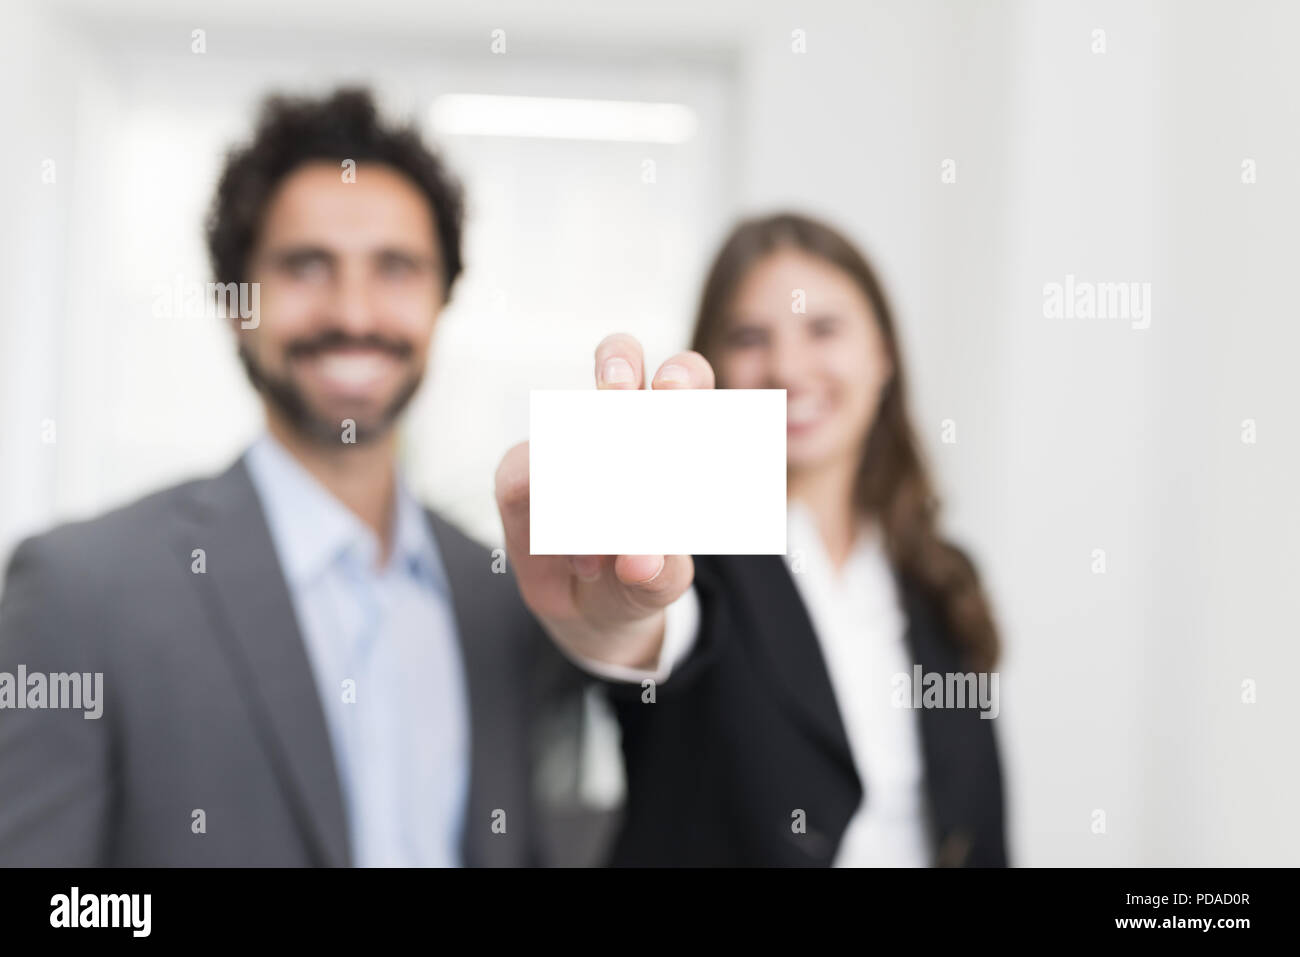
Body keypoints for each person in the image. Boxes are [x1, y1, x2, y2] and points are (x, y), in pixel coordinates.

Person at [0, 87, 698, 867]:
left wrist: (633, 617)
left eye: (397, 268)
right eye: (307, 266)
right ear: (238, 305)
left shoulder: (503, 591)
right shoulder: (80, 590)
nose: (355, 311)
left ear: (442, 300)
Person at [498, 213, 1008, 866]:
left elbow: (982, 823)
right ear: (714, 367)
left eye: (823, 328)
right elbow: (655, 629)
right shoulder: (691, 544)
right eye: (749, 336)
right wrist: (609, 617)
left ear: (882, 353)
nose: (789, 366)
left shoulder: (939, 573)